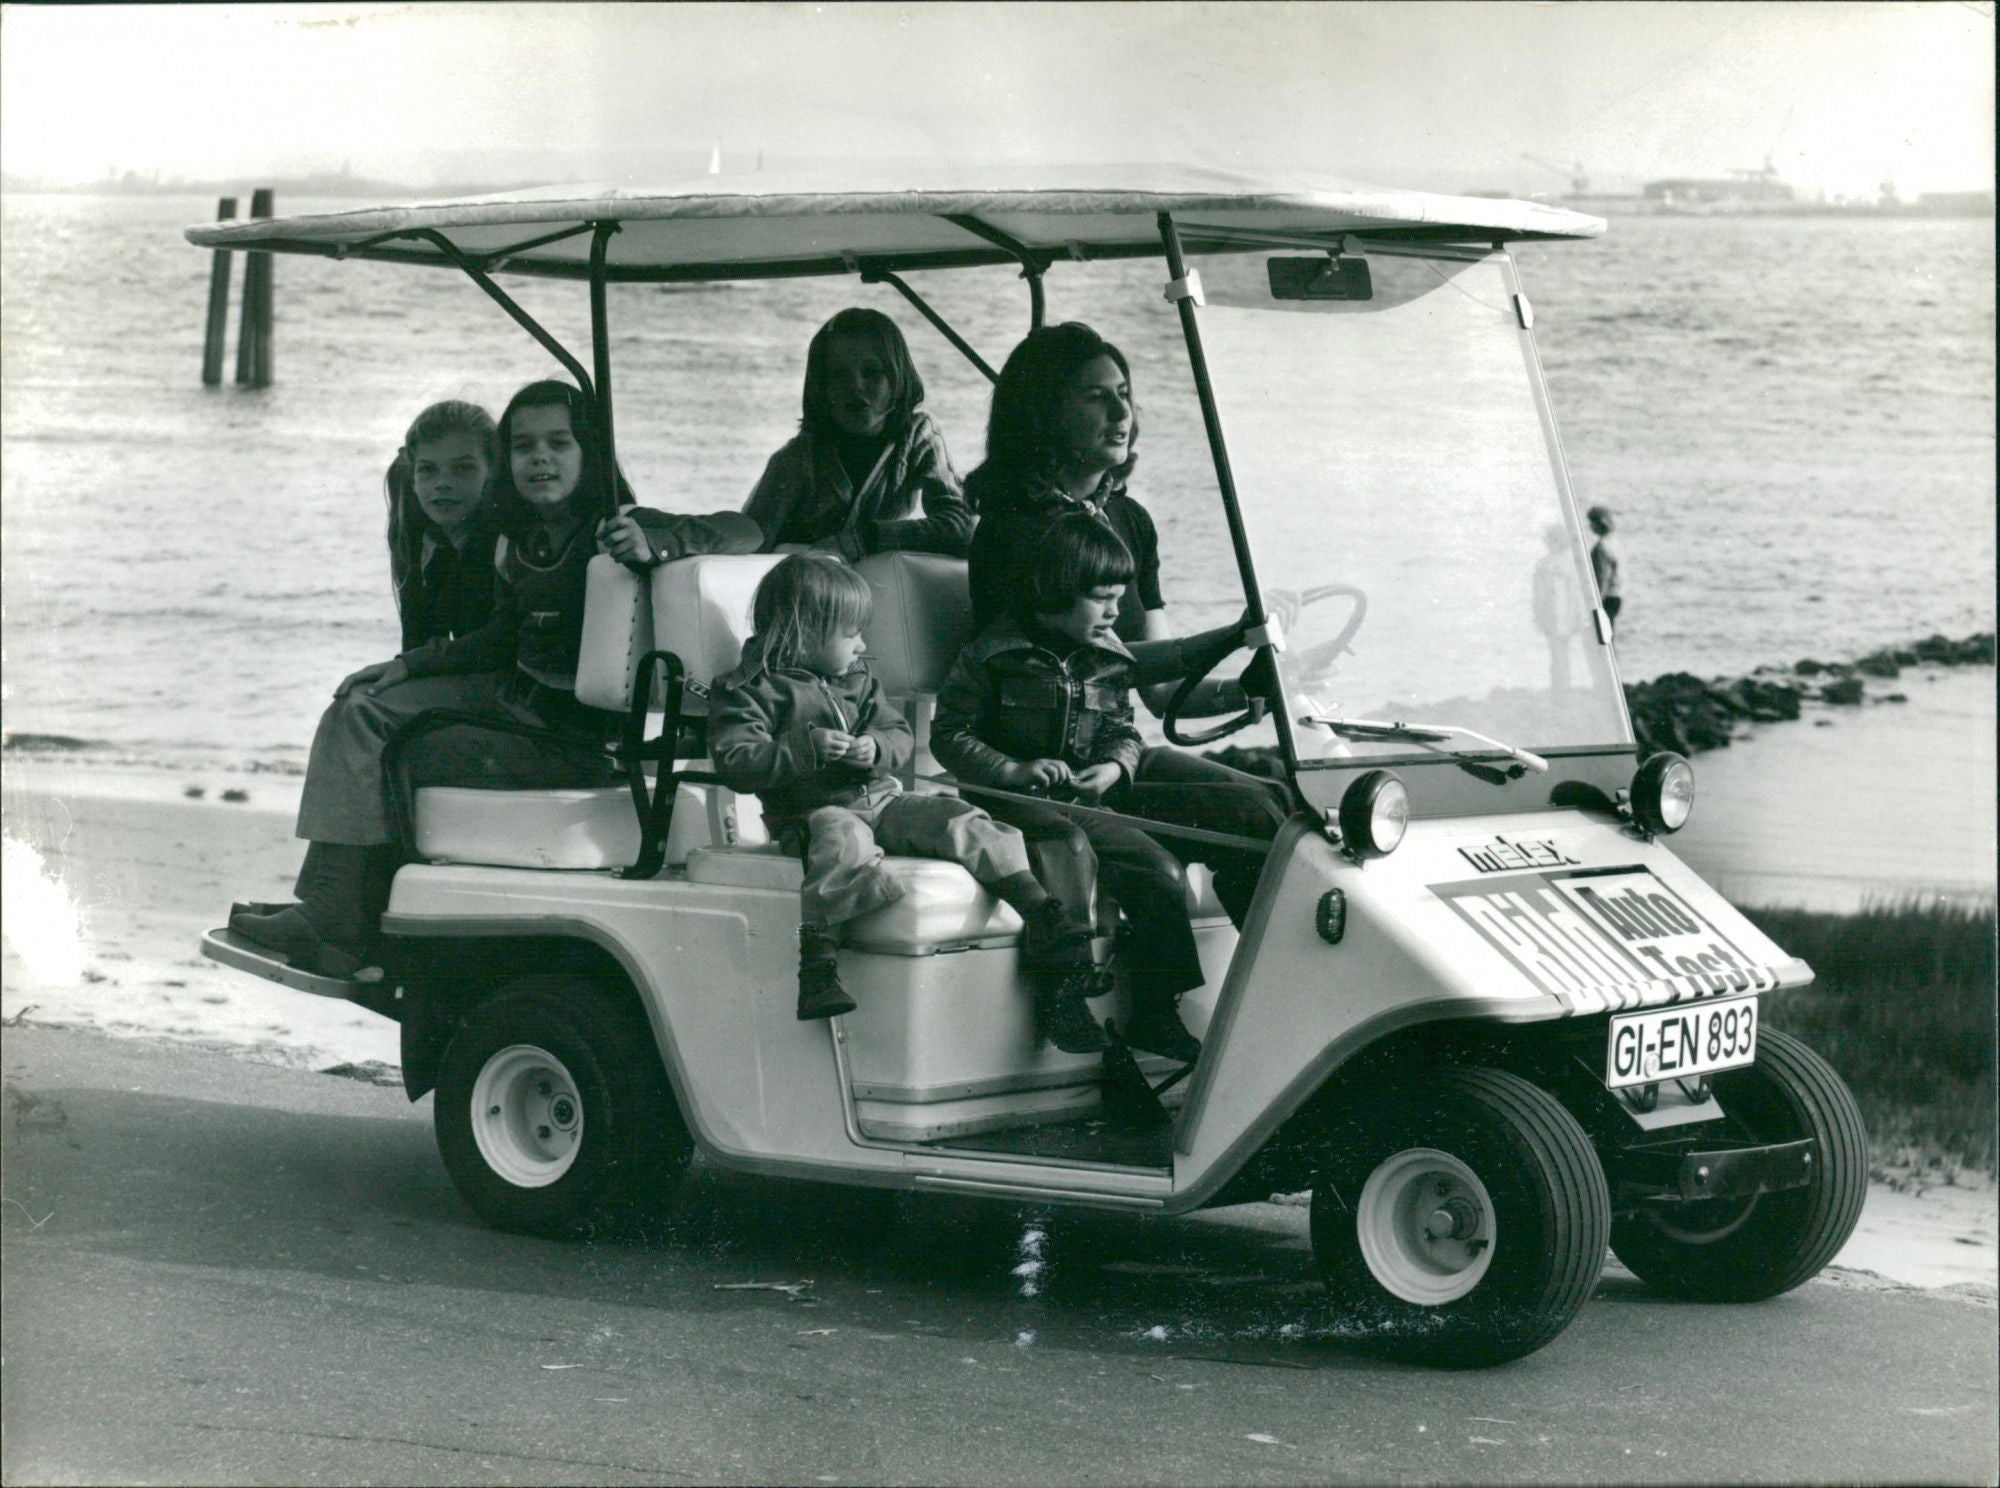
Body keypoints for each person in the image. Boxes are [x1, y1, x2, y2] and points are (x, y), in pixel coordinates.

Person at [229, 380, 763, 976]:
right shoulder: (524, 540)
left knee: (392, 744)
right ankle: (334, 911)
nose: (540, 458)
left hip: (573, 741)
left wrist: (661, 542)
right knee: (366, 714)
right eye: (524, 446)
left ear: (589, 452)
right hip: (522, 719)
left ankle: (346, 920)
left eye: (558, 443)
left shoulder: (613, 527)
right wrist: (409, 665)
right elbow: (501, 641)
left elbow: (745, 531)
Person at [708, 553, 1105, 1050]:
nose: (863, 644)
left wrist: (874, 748)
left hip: (882, 798)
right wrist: (803, 750)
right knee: (840, 841)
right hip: (810, 813)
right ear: (805, 632)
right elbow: (737, 762)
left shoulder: (859, 679)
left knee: (960, 819)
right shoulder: (747, 690)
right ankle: (818, 964)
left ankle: (1043, 913)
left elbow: (894, 733)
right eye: (852, 633)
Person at [934, 514, 1278, 1062]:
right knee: (1144, 866)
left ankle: (1246, 982)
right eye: (1102, 599)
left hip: (1095, 793)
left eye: (1120, 597)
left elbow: (1122, 728)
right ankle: (1107, 1001)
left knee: (1255, 809)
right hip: (1024, 802)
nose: (1117, 611)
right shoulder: (992, 655)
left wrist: (1117, 766)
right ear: (1053, 594)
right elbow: (949, 736)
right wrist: (1012, 772)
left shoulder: (1107, 653)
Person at [964, 321, 1291, 848]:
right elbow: (1095, 663)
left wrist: (1250, 690)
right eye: (1096, 398)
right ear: (1042, 414)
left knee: (1278, 800)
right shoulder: (1013, 531)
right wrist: (1230, 636)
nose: (1121, 414)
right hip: (1052, 777)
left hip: (1114, 756)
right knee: (1253, 816)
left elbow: (1161, 694)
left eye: (1124, 395)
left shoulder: (1129, 520)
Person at [743, 308, 972, 559]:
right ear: (821, 389)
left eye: (872, 372)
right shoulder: (796, 459)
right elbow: (751, 541)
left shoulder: (918, 436)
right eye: (838, 375)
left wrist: (865, 539)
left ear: (898, 379)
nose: (856, 385)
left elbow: (960, 527)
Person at [384, 400, 502, 650]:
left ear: (491, 472)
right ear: (413, 479)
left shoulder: (504, 544)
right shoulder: (424, 542)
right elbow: (417, 643)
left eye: (463, 468)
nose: (443, 483)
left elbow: (497, 646)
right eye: (428, 469)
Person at [1588, 504, 1622, 627]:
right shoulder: (1614, 541)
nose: (1590, 526)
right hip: (1616, 594)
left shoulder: (1602, 547)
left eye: (1592, 522)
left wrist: (1598, 603)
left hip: (1606, 597)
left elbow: (1602, 576)